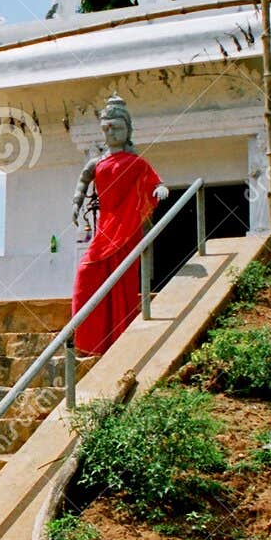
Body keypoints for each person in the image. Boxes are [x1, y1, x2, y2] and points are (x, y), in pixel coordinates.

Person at [70, 96, 168, 354]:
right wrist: (76, 202)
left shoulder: (136, 163)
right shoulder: (98, 162)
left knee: (122, 281)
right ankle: (88, 339)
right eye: (106, 128)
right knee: (87, 273)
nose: (111, 132)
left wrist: (160, 189)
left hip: (126, 228)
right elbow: (83, 179)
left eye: (116, 127)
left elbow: (154, 181)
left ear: (128, 130)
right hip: (105, 227)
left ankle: (119, 337)